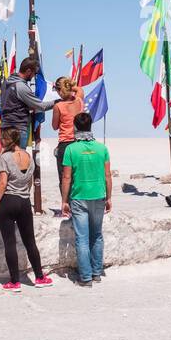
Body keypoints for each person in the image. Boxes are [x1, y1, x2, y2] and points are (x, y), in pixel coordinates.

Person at [0, 128, 53, 293]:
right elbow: (30, 181)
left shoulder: (5, 157)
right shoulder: (28, 157)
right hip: (24, 202)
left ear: (7, 140)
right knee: (30, 241)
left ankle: (14, 281)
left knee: (9, 242)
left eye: (2, 138)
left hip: (8, 201)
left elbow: (3, 183)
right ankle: (40, 277)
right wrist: (24, 195)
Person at [59, 112, 112, 287]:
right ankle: (97, 273)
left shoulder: (71, 149)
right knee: (96, 235)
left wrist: (64, 200)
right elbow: (107, 175)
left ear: (75, 127)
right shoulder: (101, 148)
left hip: (79, 197)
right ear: (90, 126)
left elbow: (66, 178)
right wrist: (109, 197)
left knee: (82, 238)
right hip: (99, 195)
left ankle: (86, 277)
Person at [0, 57, 59, 150]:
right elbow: (41, 106)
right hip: (18, 131)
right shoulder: (21, 86)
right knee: (19, 160)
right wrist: (58, 101)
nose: (34, 76)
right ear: (29, 71)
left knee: (8, 160)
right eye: (34, 73)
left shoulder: (6, 83)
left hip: (5, 130)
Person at [51, 75, 83, 214]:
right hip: (79, 142)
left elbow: (54, 126)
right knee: (77, 176)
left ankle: (67, 206)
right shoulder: (79, 100)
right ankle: (78, 206)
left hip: (65, 144)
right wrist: (69, 85)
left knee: (64, 177)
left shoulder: (58, 106)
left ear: (59, 91)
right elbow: (79, 89)